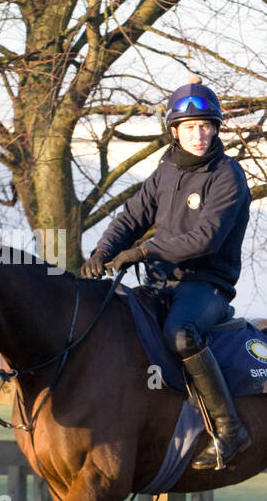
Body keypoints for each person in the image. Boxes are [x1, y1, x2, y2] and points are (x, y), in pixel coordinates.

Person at [82, 77, 253, 468]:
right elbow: (133, 215)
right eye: (191, 127)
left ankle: (230, 430)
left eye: (206, 126)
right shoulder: (165, 170)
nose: (200, 134)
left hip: (205, 287)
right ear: (174, 132)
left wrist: (143, 251)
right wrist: (102, 252)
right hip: (160, 283)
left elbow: (206, 238)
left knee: (179, 333)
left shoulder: (228, 175)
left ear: (216, 129)